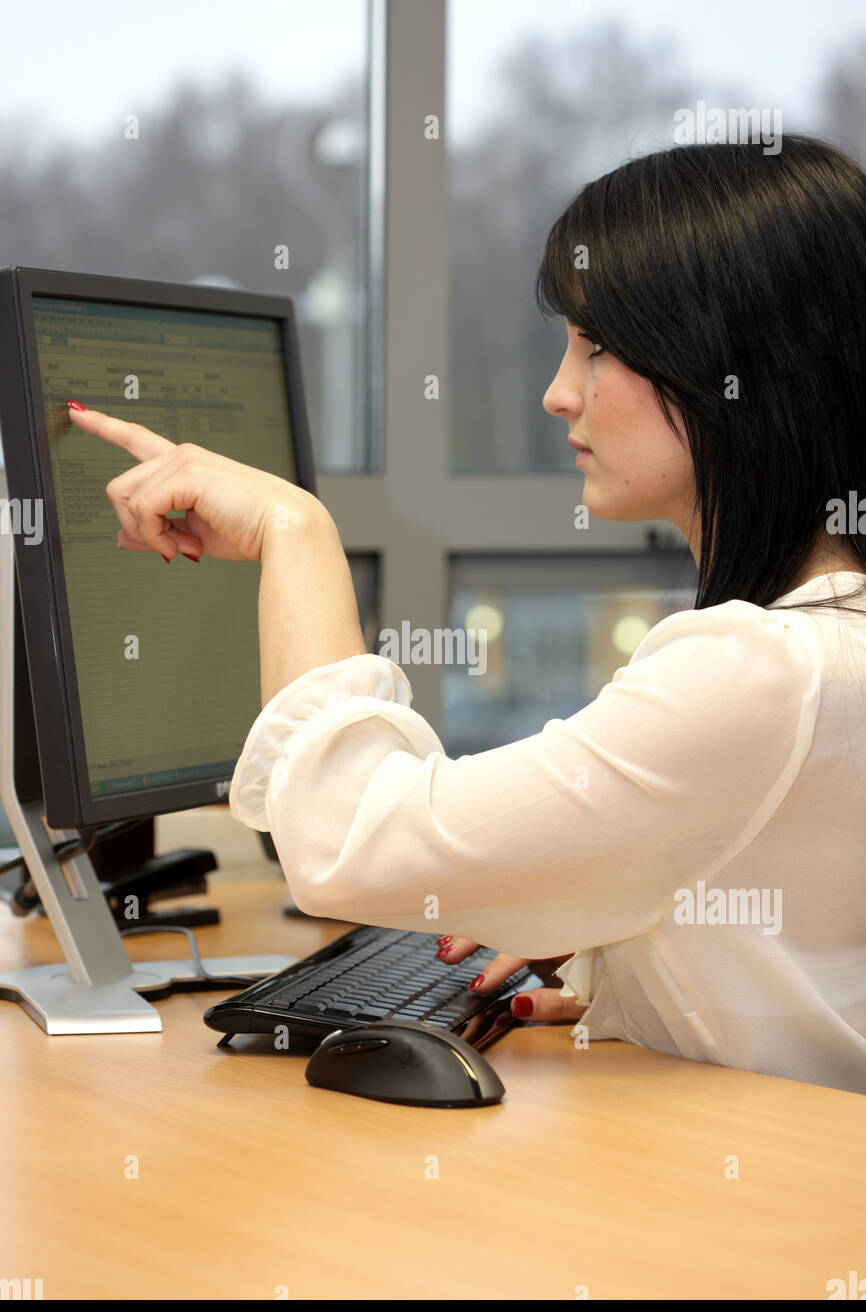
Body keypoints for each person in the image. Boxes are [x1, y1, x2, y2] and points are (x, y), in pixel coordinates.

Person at [68, 132, 866, 1094]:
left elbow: (341, 842)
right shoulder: (831, 640)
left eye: (599, 347)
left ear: (737, 364)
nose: (557, 393)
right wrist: (632, 961)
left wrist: (295, 529)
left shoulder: (756, 672)